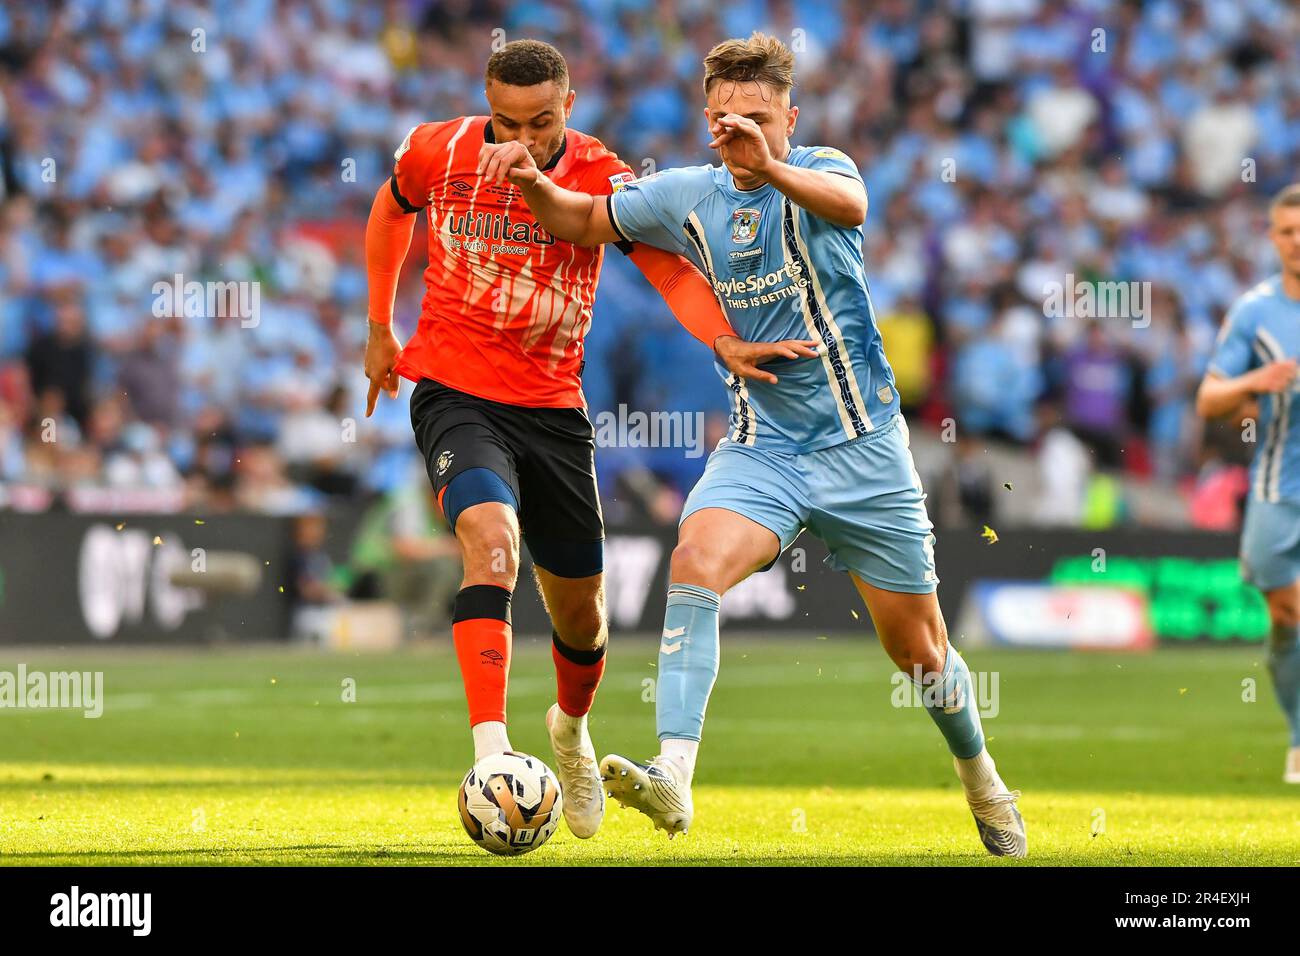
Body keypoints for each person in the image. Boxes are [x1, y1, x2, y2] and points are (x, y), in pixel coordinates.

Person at [481, 32, 1026, 856]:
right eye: (727, 117)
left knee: (920, 650)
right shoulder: (686, 195)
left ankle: (982, 779)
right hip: (762, 450)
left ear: (790, 117)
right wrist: (532, 183)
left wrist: (770, 166)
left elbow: (854, 209)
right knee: (693, 561)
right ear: (707, 118)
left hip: (864, 450)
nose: (741, 130)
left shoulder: (822, 170)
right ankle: (674, 776)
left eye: (761, 117)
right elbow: (584, 220)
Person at [362, 39, 802, 840]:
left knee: (582, 621)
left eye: (539, 123)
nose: (521, 141)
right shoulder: (442, 149)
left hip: (553, 408)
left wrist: (721, 340)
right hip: (455, 391)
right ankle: (492, 754)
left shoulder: (600, 175)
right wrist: (378, 326)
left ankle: (567, 730)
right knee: (489, 540)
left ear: (568, 106)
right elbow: (392, 207)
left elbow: (668, 269)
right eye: (506, 123)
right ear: (485, 106)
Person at [1195, 182, 1300, 783]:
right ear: (1272, 236)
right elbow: (1209, 399)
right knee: (1285, 613)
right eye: (1286, 231)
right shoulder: (1256, 311)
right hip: (1277, 488)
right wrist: (1255, 382)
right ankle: (1299, 731)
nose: (1296, 242)